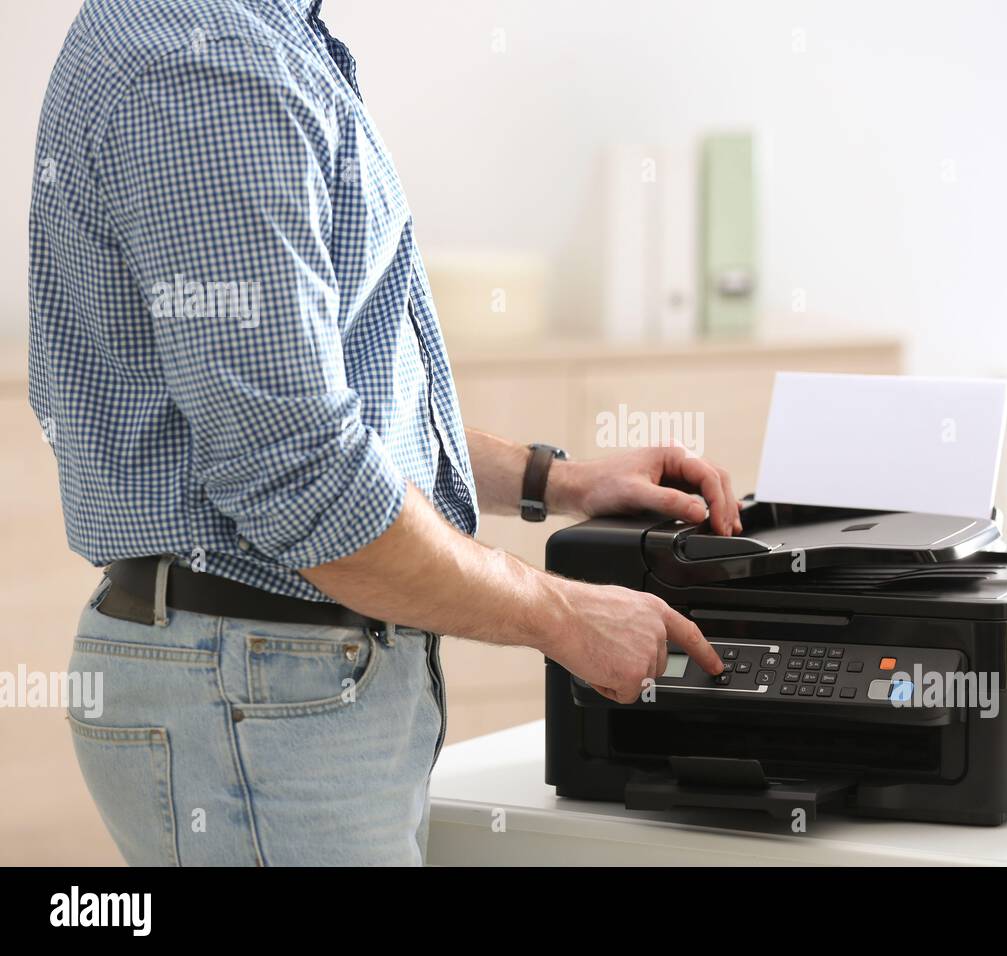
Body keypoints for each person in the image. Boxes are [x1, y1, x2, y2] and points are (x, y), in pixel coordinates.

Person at [28, 0, 728, 865]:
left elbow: (325, 417)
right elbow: (300, 475)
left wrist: (556, 481)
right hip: (259, 685)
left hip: (262, 677)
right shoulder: (213, 68)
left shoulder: (244, 37)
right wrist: (565, 616)